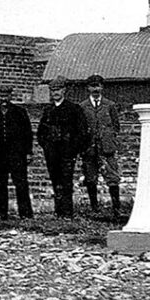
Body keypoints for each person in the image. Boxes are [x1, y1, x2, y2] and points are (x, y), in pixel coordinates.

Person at [37, 78, 88, 218]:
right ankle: (58, 211)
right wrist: (47, 146)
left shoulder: (74, 109)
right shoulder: (48, 110)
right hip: (52, 152)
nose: (55, 93)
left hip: (67, 152)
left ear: (64, 90)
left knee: (66, 181)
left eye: (58, 90)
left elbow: (81, 132)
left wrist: (73, 149)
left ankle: (67, 212)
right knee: (55, 180)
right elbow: (41, 132)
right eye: (53, 90)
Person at [0, 85, 34, 219]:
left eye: (6, 96)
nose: (4, 99)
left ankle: (25, 213)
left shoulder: (20, 112)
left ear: (10, 96)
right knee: (0, 184)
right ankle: (1, 213)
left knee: (21, 183)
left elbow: (28, 134)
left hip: (17, 155)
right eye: (1, 96)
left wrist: (28, 152)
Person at [80, 74, 121, 217]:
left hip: (106, 148)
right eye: (92, 86)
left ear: (102, 87)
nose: (95, 89)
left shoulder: (110, 105)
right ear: (88, 88)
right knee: (91, 178)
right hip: (90, 148)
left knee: (112, 177)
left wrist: (108, 139)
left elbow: (116, 126)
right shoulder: (83, 106)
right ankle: (94, 208)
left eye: (98, 86)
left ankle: (116, 208)